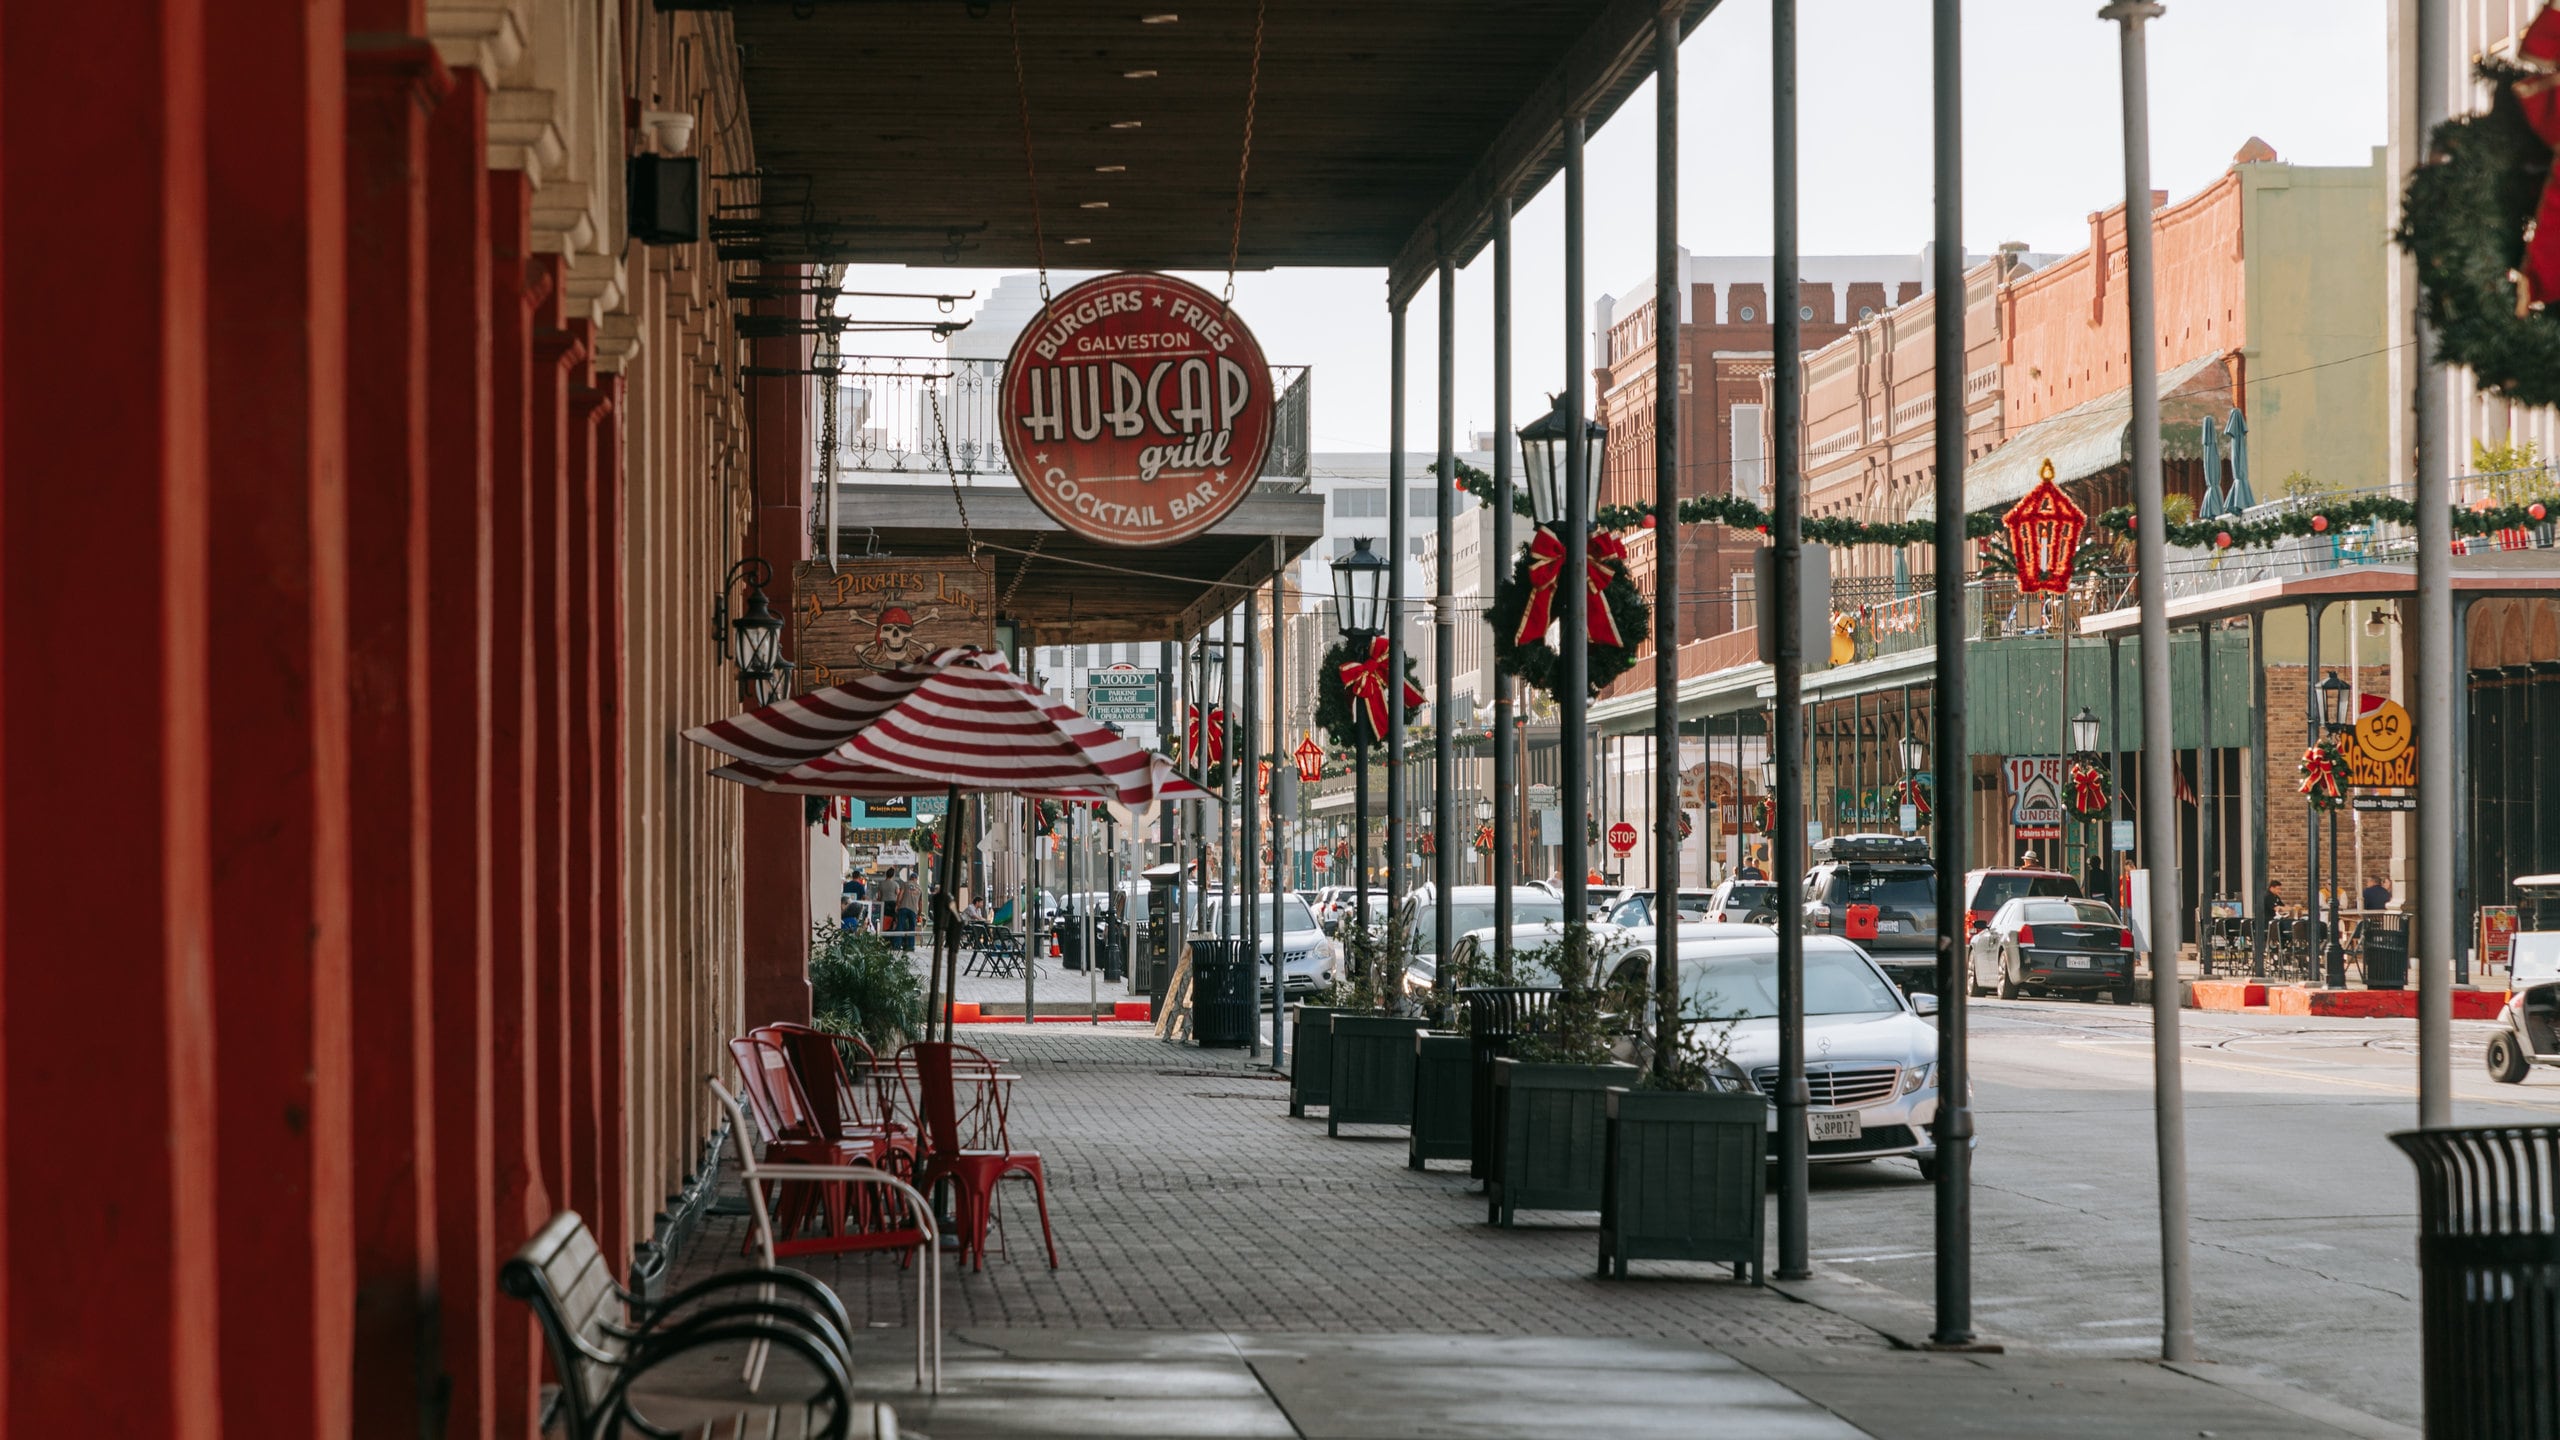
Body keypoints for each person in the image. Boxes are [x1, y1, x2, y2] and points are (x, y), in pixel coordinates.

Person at [2255, 878, 2282, 967]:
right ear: (2272, 888)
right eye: (2278, 889)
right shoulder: (2267, 896)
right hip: (2266, 923)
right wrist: (2287, 908)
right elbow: (2277, 908)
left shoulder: (2276, 897)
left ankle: (2278, 955)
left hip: (2272, 922)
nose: (2279, 891)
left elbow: (2282, 906)